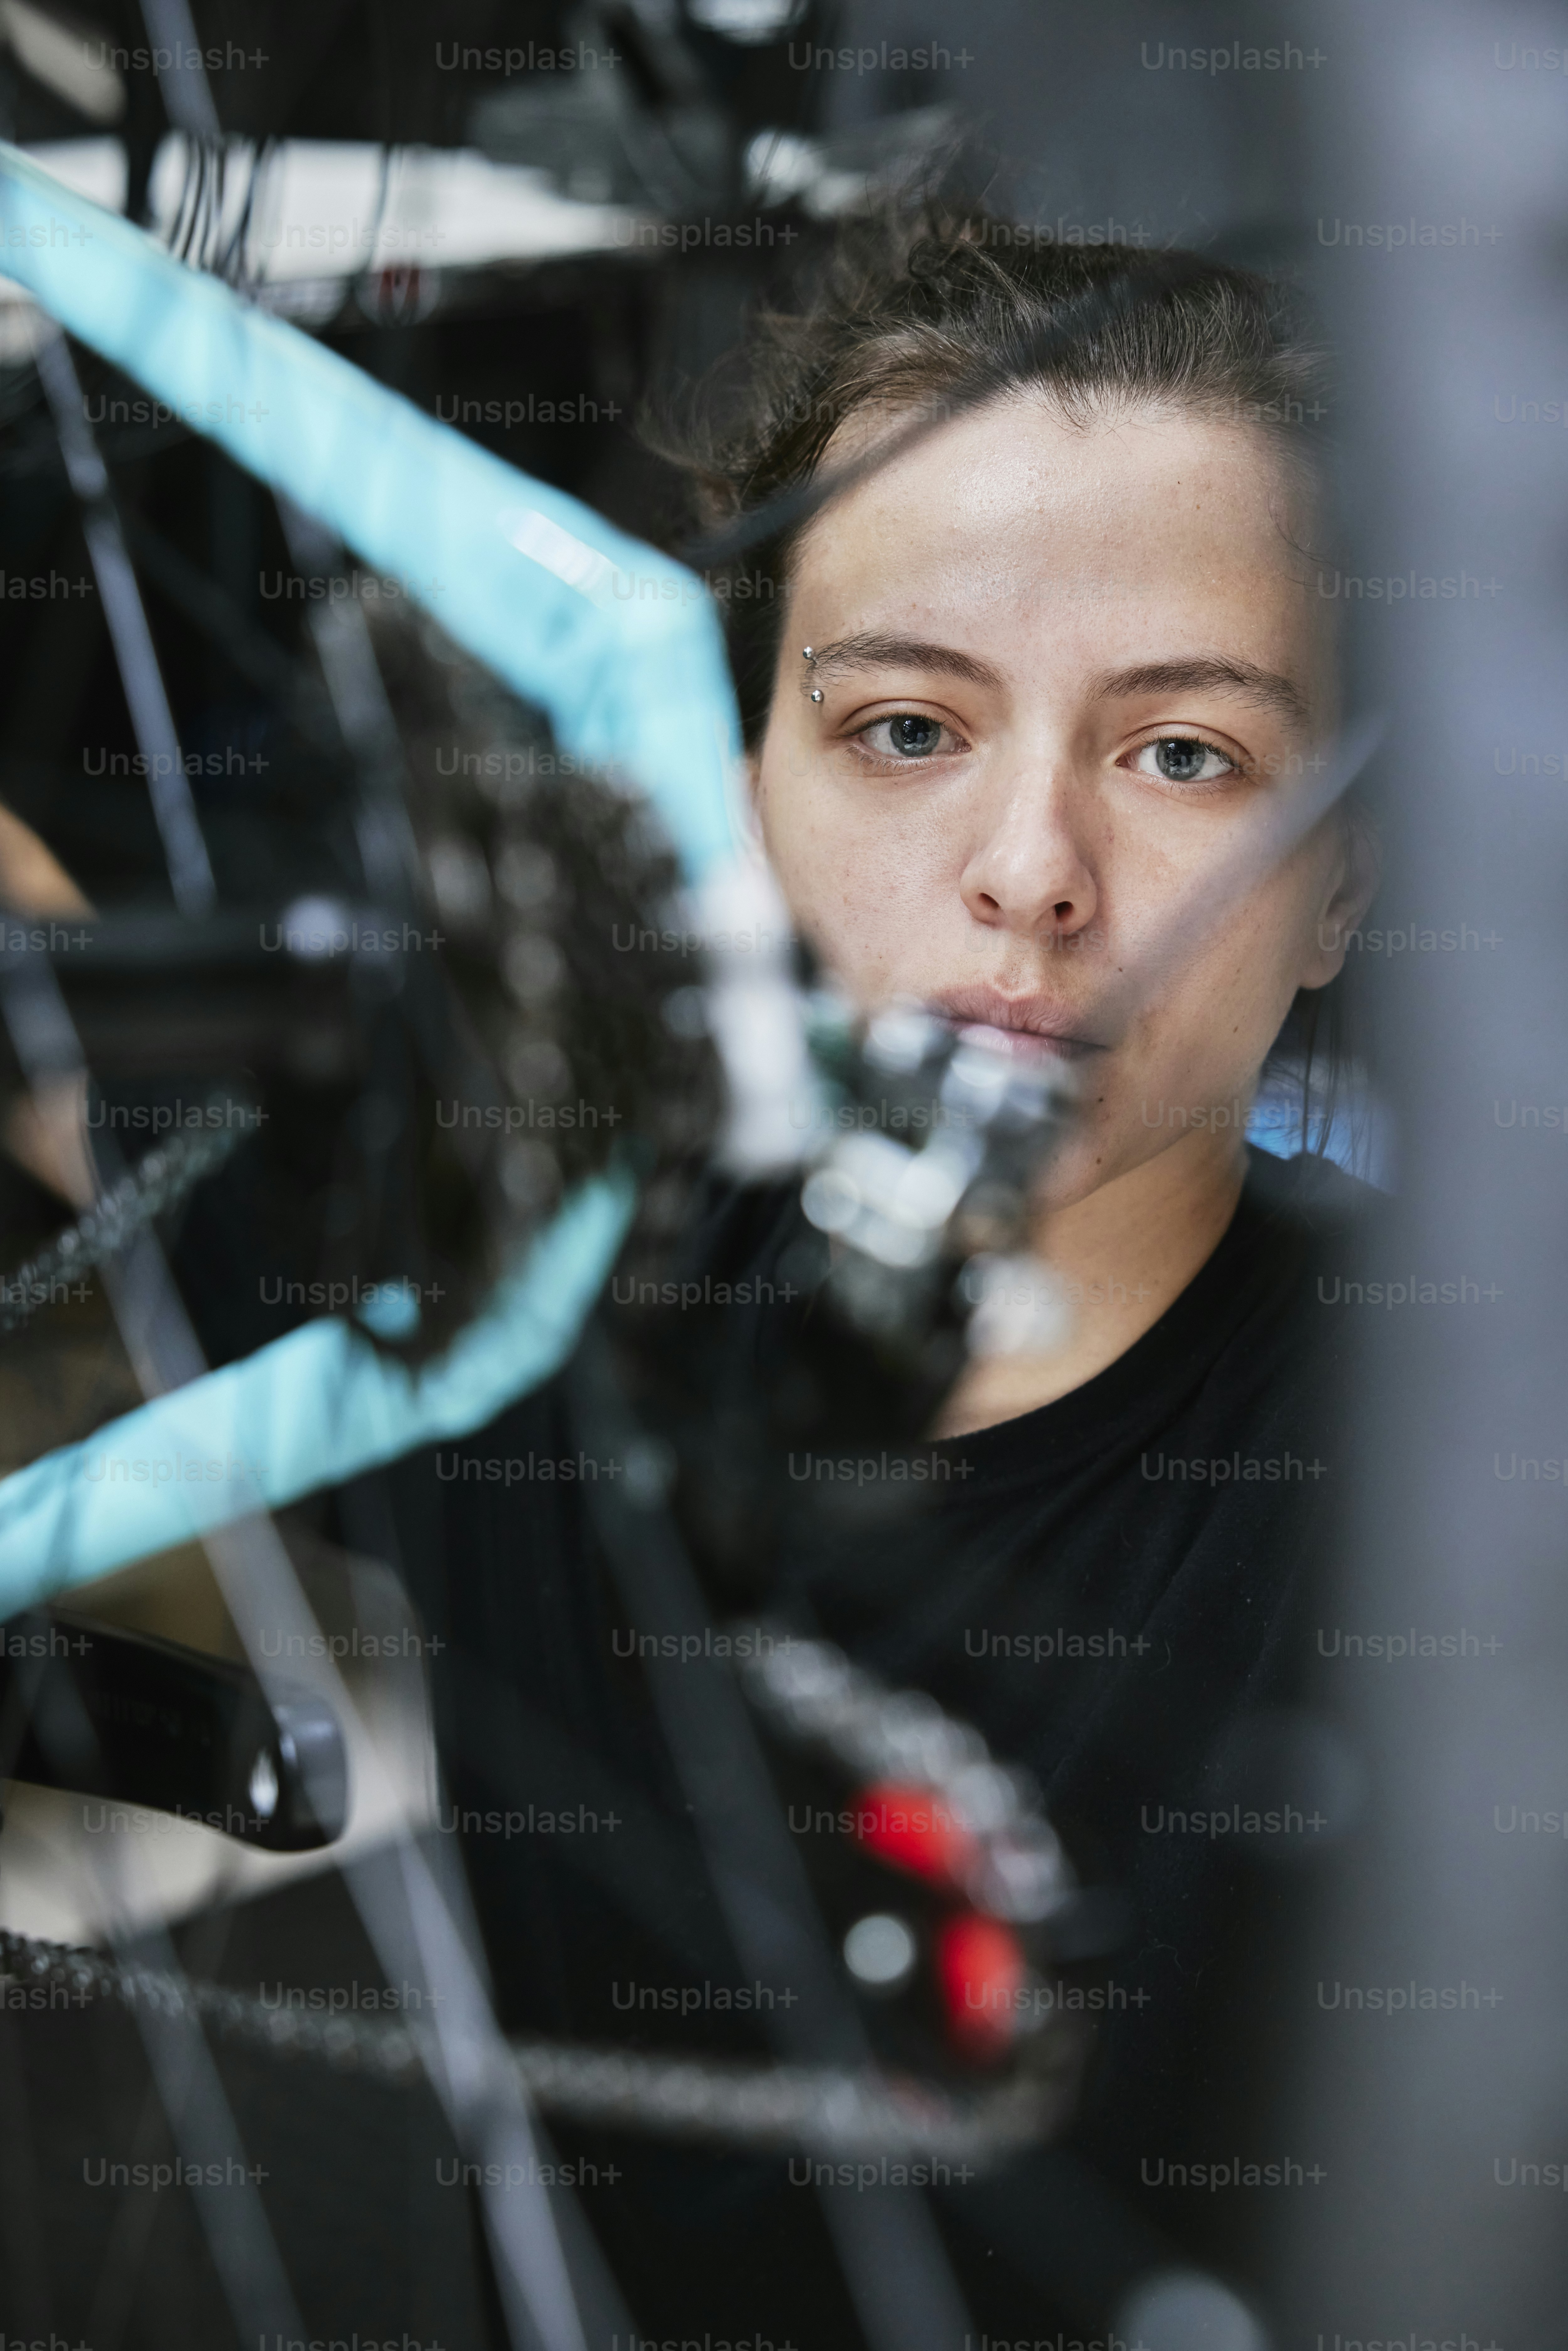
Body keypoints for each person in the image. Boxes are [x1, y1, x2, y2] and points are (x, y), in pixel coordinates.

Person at [377, 210, 1383, 2341]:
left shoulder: (1460, 1485)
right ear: (742, 787)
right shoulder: (547, 1250)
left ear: (1343, 894)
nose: (1032, 869)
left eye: (1184, 751)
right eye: (908, 728)